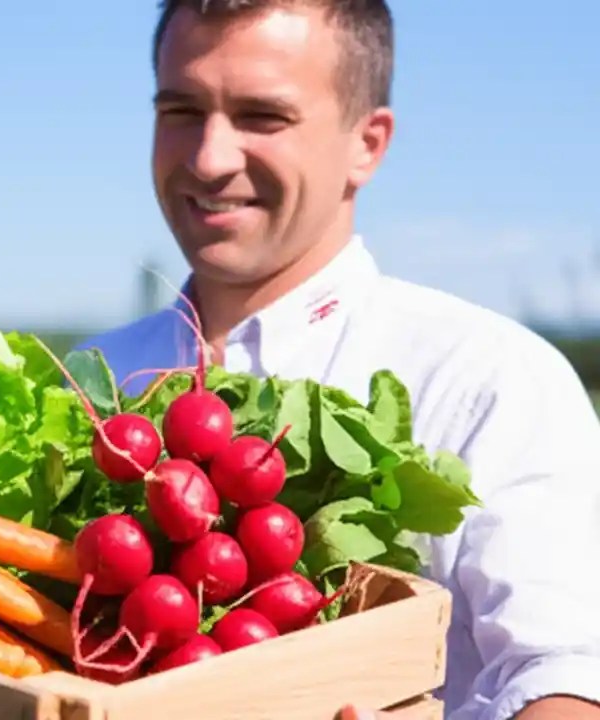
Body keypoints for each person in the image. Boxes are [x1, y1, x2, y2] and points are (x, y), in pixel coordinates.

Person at [73, 2, 600, 719]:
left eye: (262, 116)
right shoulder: (91, 375)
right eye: (182, 110)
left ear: (368, 144)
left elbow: (566, 679)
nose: (209, 157)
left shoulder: (487, 378)